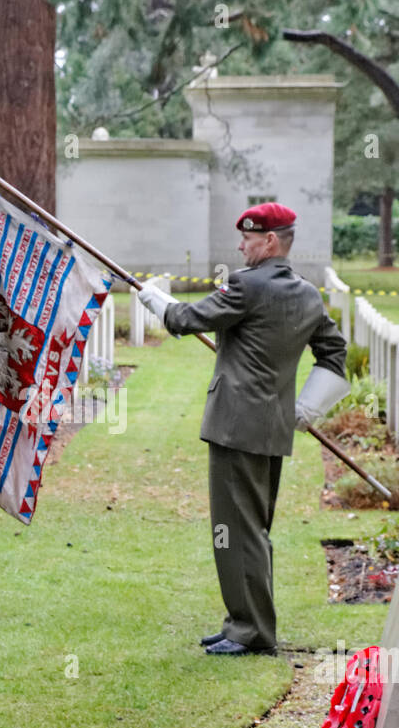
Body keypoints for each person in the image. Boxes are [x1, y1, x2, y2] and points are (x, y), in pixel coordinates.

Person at [137, 202, 349, 657]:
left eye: (247, 238)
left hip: (235, 427)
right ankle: (242, 622)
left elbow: (184, 320)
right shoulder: (308, 295)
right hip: (272, 428)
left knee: (237, 530)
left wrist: (153, 296)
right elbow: (335, 355)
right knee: (250, 527)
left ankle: (251, 631)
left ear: (269, 241)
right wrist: (305, 408)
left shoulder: (246, 285)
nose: (240, 246)